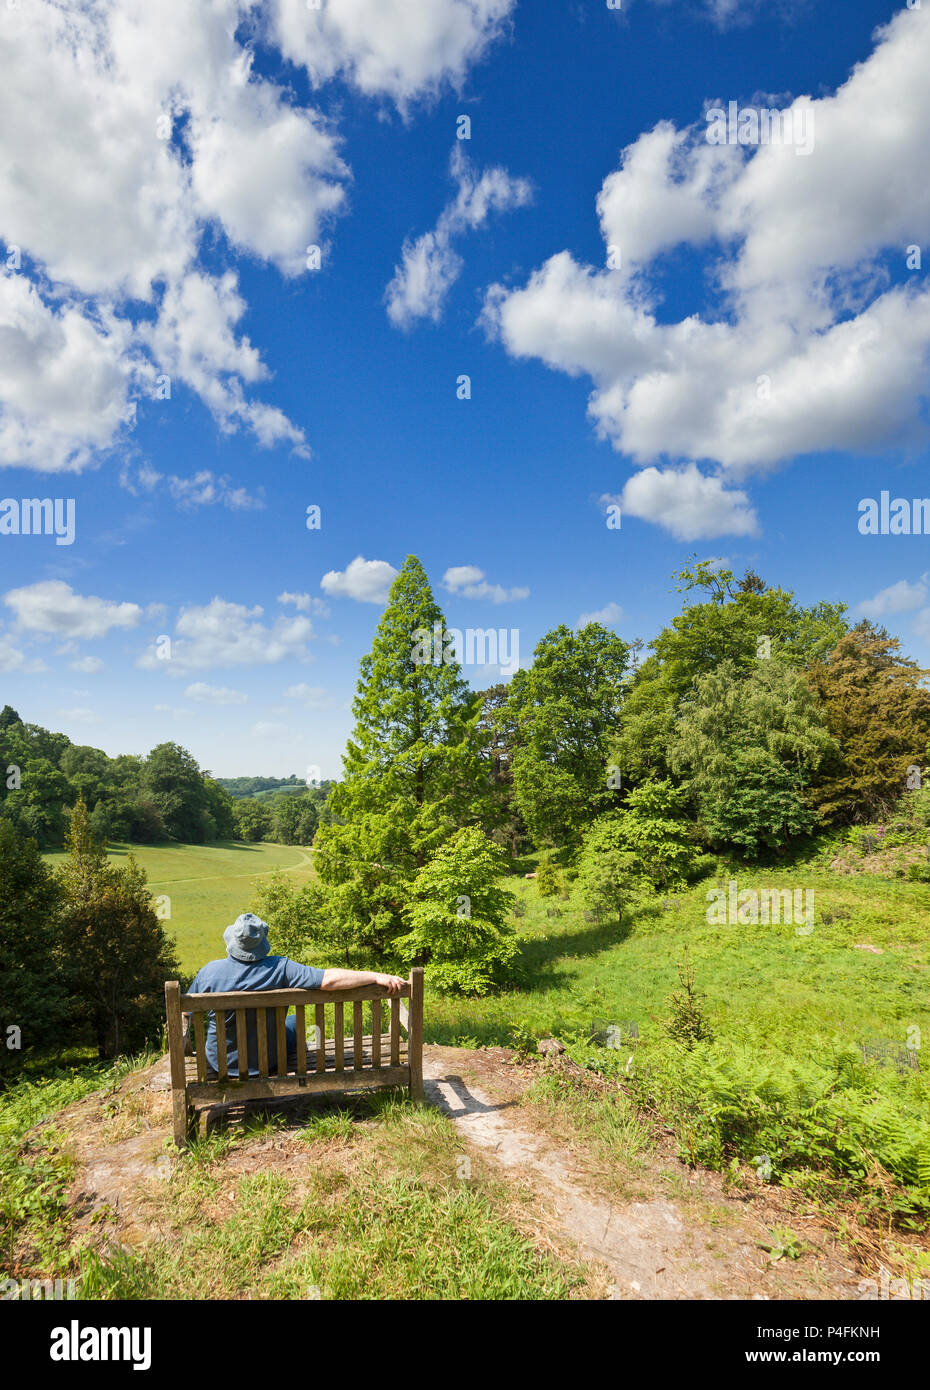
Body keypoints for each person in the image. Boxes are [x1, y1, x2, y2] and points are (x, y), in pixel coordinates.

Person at [183, 912, 405, 1077]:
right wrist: (375, 976)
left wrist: (188, 1047)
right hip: (267, 1062)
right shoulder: (280, 967)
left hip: (220, 1062)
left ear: (232, 942)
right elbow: (329, 980)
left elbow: (186, 1012)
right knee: (295, 1022)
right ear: (261, 943)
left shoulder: (208, 972)